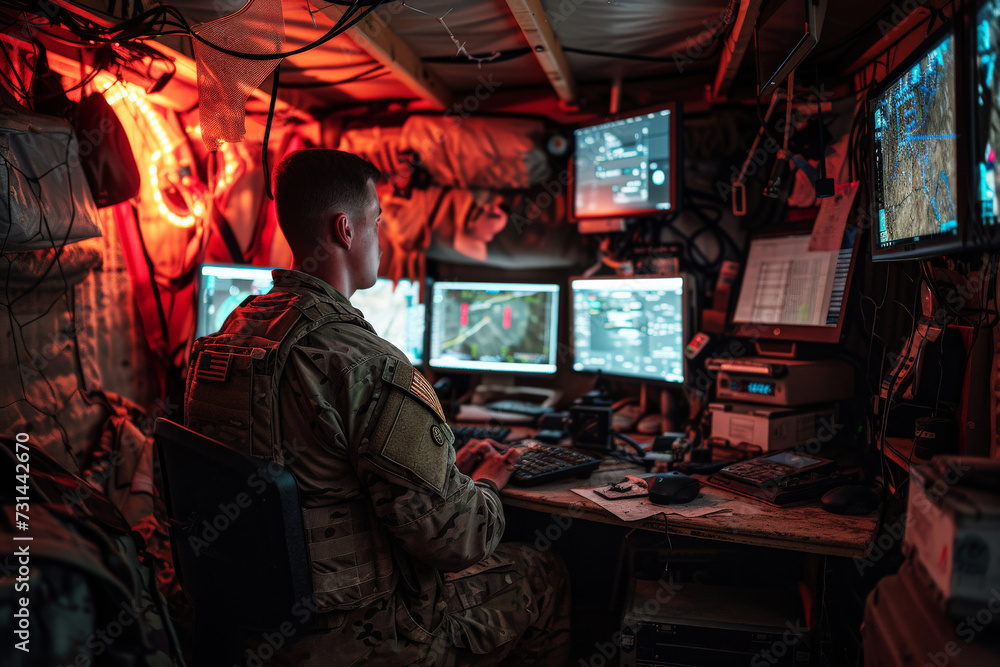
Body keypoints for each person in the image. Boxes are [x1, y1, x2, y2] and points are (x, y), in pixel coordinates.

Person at [184, 148, 571, 666]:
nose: (381, 239)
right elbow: (458, 540)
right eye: (378, 222)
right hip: (361, 638)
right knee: (545, 576)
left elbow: (308, 479)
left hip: (242, 631)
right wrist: (486, 485)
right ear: (346, 230)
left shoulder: (225, 340)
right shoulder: (368, 364)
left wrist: (435, 471)